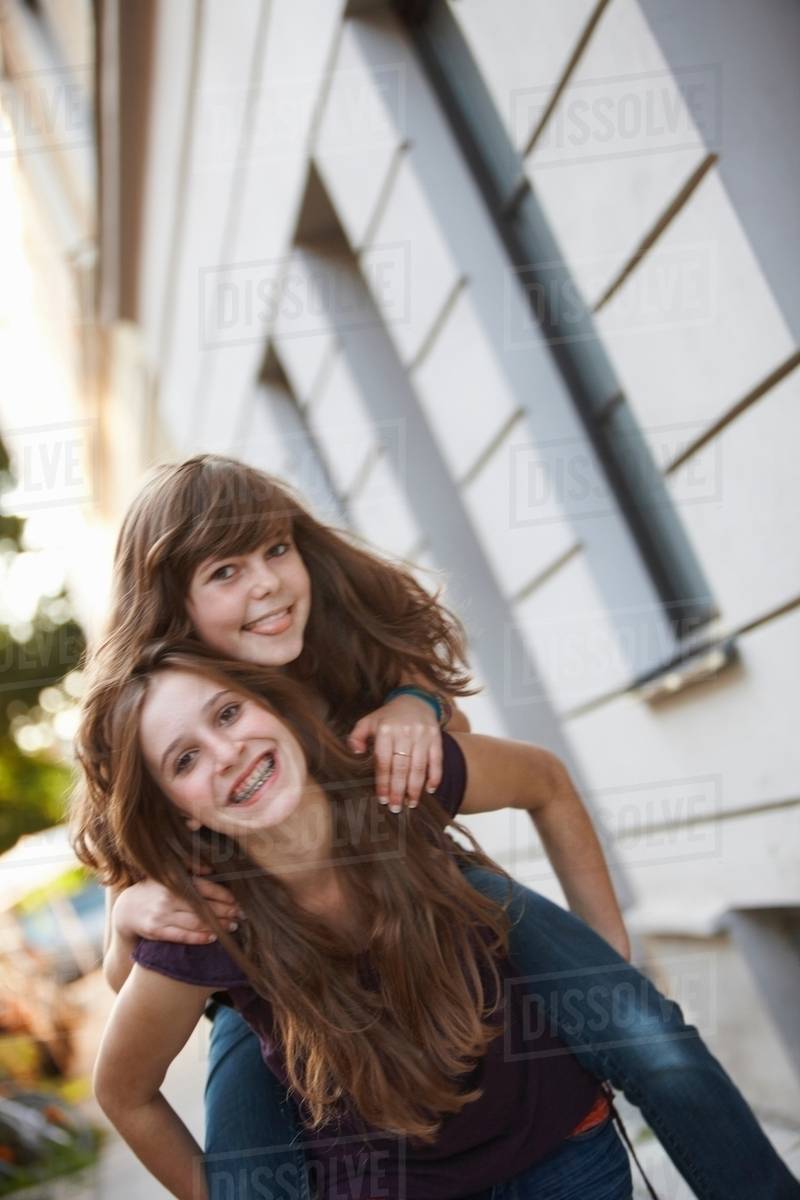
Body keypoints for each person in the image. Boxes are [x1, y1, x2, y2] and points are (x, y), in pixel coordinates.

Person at [83, 454, 799, 1200]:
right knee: (248, 1175)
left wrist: (413, 707)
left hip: (422, 875)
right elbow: (127, 965)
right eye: (224, 572)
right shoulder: (157, 721)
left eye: (274, 550)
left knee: (650, 1039)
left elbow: (482, 746)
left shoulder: (329, 635)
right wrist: (127, 914)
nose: (264, 583)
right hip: (268, 962)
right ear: (171, 604)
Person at [74, 642, 634, 1200]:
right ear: (179, 811)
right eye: (185, 760)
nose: (226, 752)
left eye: (228, 712)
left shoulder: (393, 777)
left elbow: (547, 781)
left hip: (567, 1153)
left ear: (273, 705)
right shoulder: (209, 917)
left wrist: (610, 956)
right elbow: (123, 1091)